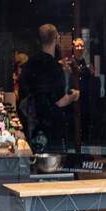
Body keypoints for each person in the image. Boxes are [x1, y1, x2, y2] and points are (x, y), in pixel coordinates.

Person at [18, 24, 78, 154]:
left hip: (32, 125)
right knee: (54, 165)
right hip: (52, 127)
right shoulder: (55, 68)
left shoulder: (29, 65)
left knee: (35, 165)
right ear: (57, 39)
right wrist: (74, 95)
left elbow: (24, 92)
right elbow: (60, 101)